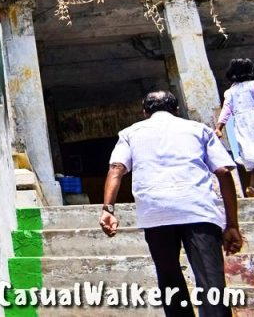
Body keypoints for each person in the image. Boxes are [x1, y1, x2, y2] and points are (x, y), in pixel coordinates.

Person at [100, 90, 244, 316]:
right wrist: (232, 224)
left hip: (155, 213)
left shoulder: (130, 133)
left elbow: (116, 168)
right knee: (211, 281)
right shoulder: (199, 130)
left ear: (145, 112)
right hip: (199, 211)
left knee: (169, 278)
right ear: (176, 110)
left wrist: (108, 209)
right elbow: (224, 172)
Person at [216, 58, 254, 197]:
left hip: (242, 125)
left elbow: (226, 110)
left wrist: (219, 127)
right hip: (253, 121)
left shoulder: (230, 92)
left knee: (252, 158)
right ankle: (252, 188)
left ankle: (251, 188)